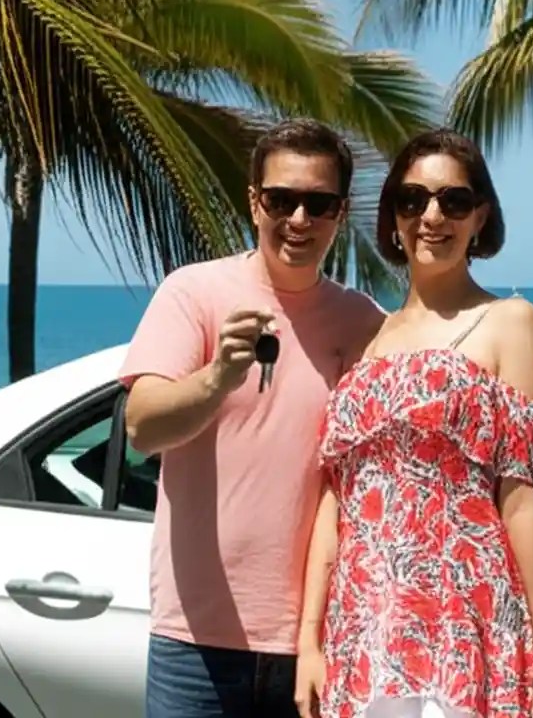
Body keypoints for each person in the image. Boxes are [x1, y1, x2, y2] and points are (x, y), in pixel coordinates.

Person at [119, 118, 386, 718]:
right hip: (197, 640)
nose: (298, 220)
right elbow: (143, 426)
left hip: (321, 641)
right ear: (253, 201)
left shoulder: (363, 322)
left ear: (340, 213)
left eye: (318, 204)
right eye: (281, 200)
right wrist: (218, 377)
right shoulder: (194, 293)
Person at [295, 128, 533, 718]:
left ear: (480, 217)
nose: (432, 216)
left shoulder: (510, 321)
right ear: (393, 217)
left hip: (464, 614)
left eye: (453, 201)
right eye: (412, 200)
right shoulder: (369, 334)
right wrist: (308, 641)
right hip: (362, 622)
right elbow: (337, 501)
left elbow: (522, 501)